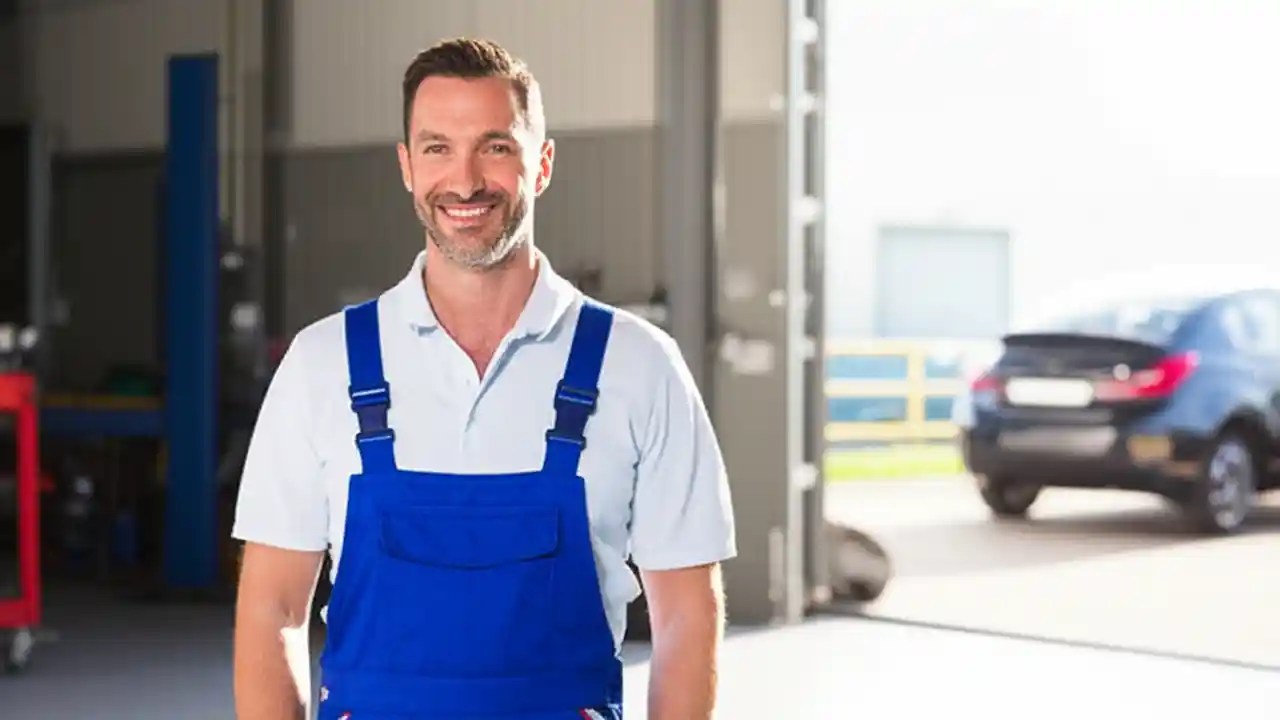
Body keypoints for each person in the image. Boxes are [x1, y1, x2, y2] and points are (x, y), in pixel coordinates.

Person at [230, 37, 737, 720]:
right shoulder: (323, 365)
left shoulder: (639, 365)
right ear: (407, 167)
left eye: (495, 147)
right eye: (438, 148)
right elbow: (271, 610)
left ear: (543, 163)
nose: (465, 180)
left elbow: (685, 618)